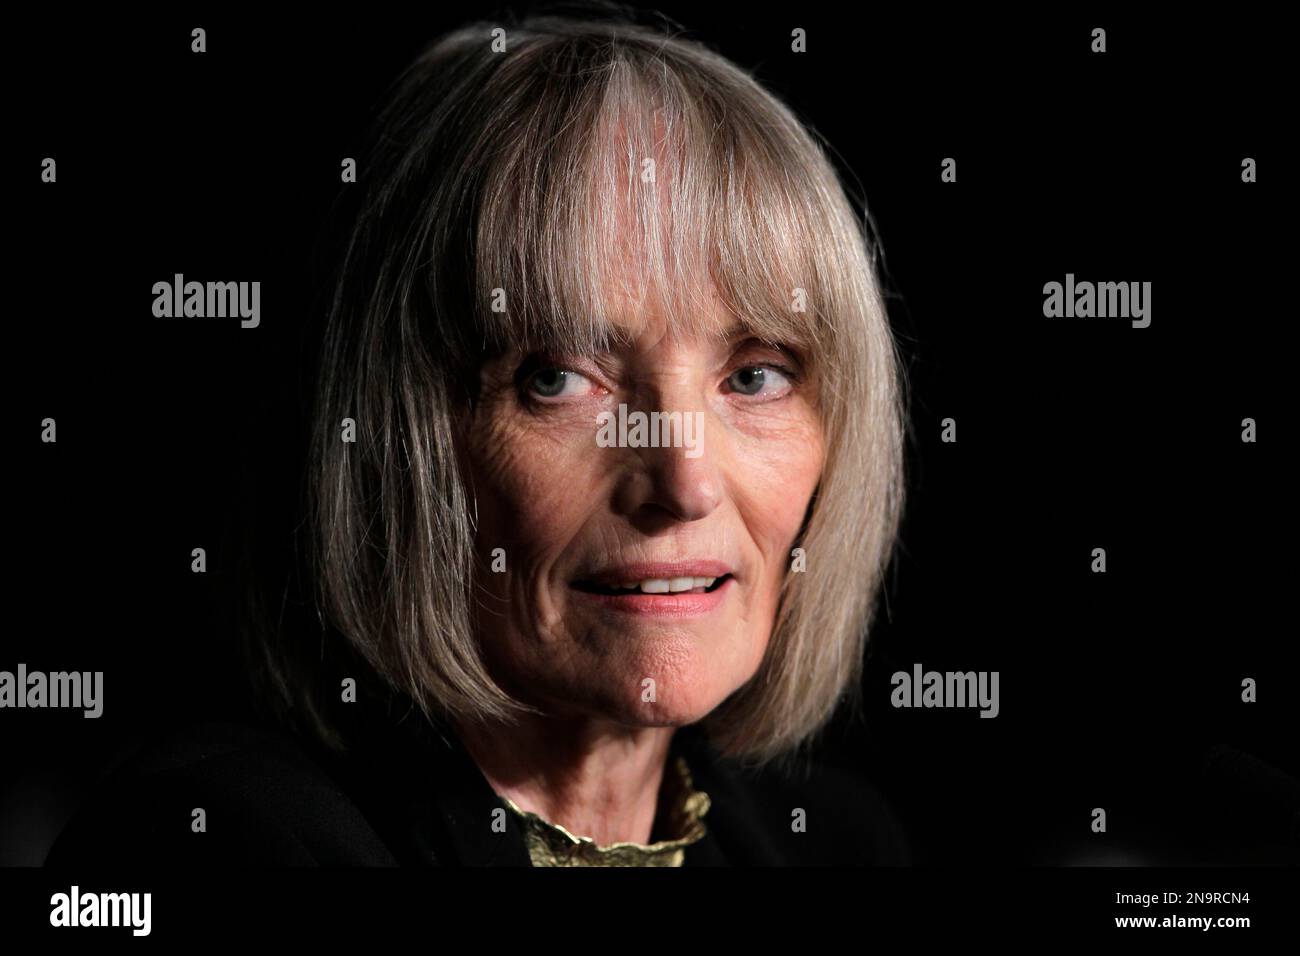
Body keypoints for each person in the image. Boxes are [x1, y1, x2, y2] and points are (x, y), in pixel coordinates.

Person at [46, 10, 909, 867]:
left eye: (755, 377)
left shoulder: (838, 843)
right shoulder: (224, 842)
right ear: (395, 436)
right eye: (558, 377)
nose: (685, 483)